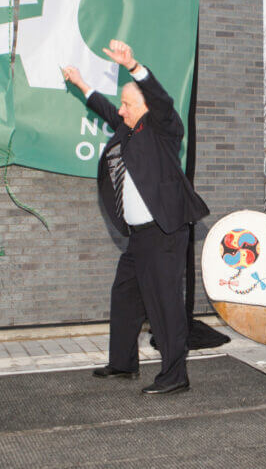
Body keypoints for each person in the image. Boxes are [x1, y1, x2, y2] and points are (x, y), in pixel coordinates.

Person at [62, 40, 209, 395]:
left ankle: (175, 376)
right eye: (123, 105)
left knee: (165, 305)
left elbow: (162, 101)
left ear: (145, 107)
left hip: (164, 233)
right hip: (139, 237)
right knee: (125, 295)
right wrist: (82, 85)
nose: (122, 111)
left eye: (128, 104)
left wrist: (133, 66)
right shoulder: (129, 128)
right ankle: (123, 364)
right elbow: (107, 111)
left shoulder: (163, 129)